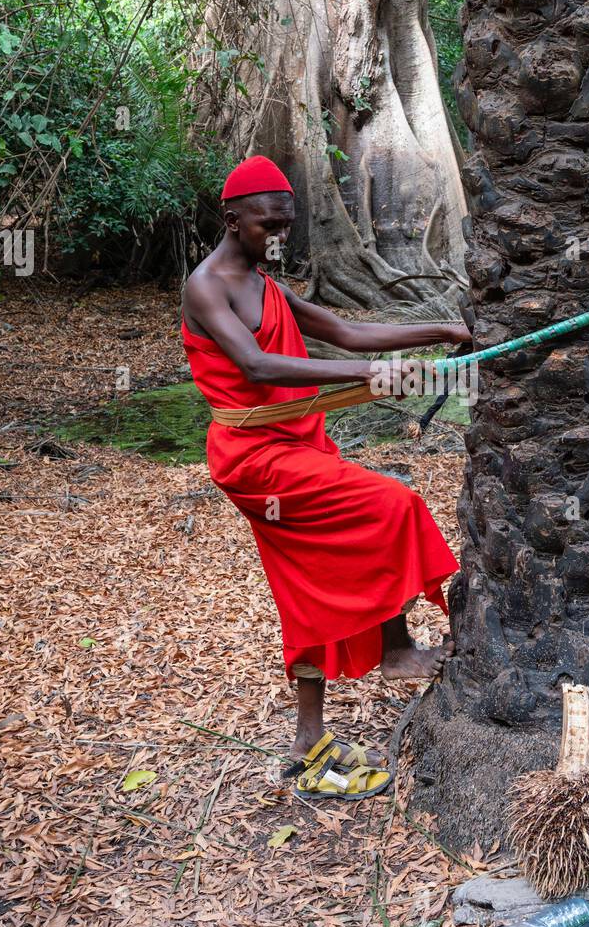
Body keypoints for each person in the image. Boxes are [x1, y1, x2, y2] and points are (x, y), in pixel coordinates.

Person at [181, 155, 470, 799]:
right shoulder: (208, 285)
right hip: (254, 459)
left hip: (297, 443)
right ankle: (395, 650)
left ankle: (309, 741)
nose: (277, 235)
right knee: (393, 504)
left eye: (286, 224)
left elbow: (346, 329)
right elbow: (256, 366)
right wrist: (364, 380)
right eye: (266, 223)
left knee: (308, 581)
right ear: (232, 218)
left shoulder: (268, 285)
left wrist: (444, 328)